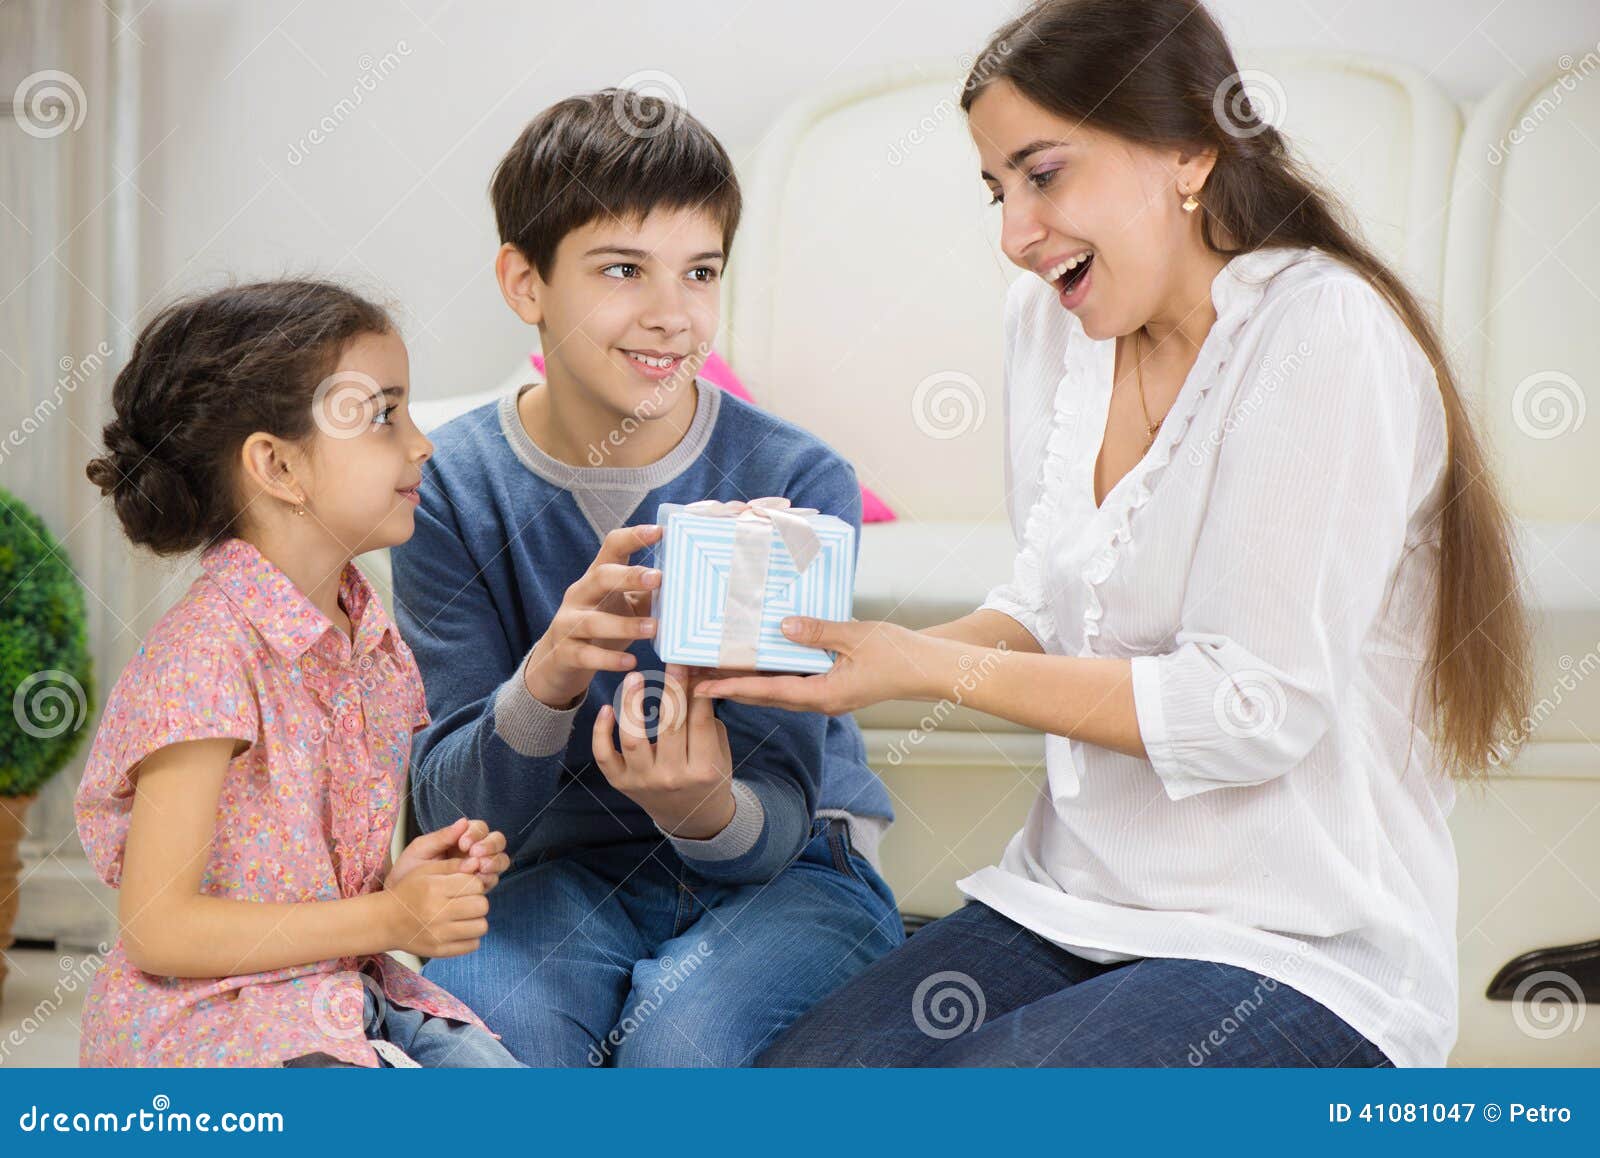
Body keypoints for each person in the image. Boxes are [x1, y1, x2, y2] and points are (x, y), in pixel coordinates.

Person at [701, 0, 1533, 1068]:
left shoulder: (1322, 334)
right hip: (1069, 902)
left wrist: (924, 666)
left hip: (1291, 948)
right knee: (798, 1091)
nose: (1014, 235)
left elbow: (1250, 708)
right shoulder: (1051, 326)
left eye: (1043, 175)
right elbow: (1050, 606)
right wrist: (846, 658)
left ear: (1189, 150)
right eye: (997, 190)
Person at [391, 91, 901, 1067]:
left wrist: (698, 804)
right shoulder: (449, 487)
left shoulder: (796, 480)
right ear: (525, 282)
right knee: (490, 1044)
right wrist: (545, 681)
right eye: (623, 269)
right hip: (552, 872)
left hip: (792, 870)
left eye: (699, 272)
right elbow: (452, 812)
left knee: (679, 1053)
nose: (671, 316)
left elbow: (777, 817)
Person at [77, 280, 521, 1068]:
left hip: (339, 994)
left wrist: (399, 886)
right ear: (278, 465)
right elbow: (157, 928)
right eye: (383, 416)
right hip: (214, 1026)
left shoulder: (369, 639)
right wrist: (388, 919)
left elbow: (299, 877)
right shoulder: (207, 653)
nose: (422, 444)